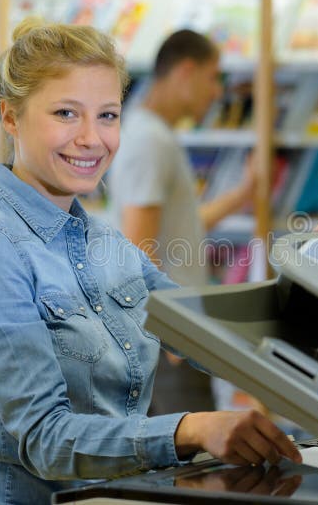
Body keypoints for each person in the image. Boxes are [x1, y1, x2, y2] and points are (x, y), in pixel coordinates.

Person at [0, 18, 303, 504]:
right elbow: (46, 440)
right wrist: (189, 430)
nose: (92, 138)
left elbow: (206, 329)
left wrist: (315, 281)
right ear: (9, 117)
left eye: (107, 115)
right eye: (66, 113)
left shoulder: (104, 241)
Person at [108, 29, 253, 416]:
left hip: (169, 336)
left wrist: (243, 193)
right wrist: (166, 332)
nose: (217, 92)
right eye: (212, 77)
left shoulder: (151, 135)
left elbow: (179, 227)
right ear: (185, 71)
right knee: (188, 464)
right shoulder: (149, 141)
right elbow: (138, 249)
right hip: (168, 342)